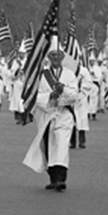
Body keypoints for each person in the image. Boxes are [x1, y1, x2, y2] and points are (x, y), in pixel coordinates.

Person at [22, 41, 80, 191]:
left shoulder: (69, 75)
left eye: (58, 55)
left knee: (61, 146)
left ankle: (61, 179)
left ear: (62, 57)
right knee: (48, 146)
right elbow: (34, 96)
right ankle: (53, 179)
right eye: (53, 55)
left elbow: (74, 96)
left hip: (64, 115)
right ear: (48, 57)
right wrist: (50, 96)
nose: (56, 58)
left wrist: (63, 90)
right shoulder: (41, 76)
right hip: (47, 115)